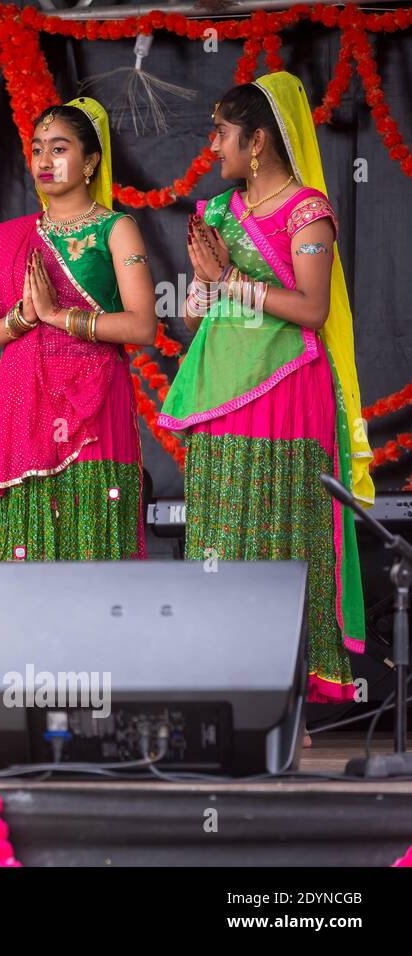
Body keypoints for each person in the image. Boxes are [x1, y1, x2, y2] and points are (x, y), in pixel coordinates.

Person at [158, 72, 371, 707]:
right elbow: (196, 318)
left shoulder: (307, 211)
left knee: (279, 533)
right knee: (223, 535)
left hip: (285, 391)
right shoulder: (217, 213)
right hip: (221, 390)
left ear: (255, 141)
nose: (212, 147)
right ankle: (225, 696)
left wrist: (228, 279)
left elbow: (310, 308)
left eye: (221, 133)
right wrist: (203, 285)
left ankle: (282, 704)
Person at [0, 97, 157, 560]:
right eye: (37, 150)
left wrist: (60, 317)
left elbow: (143, 325)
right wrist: (24, 318)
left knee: (91, 538)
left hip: (91, 407)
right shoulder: (14, 237)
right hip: (23, 407)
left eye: (59, 148)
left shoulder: (116, 229)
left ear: (90, 161)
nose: (45, 161)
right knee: (28, 550)